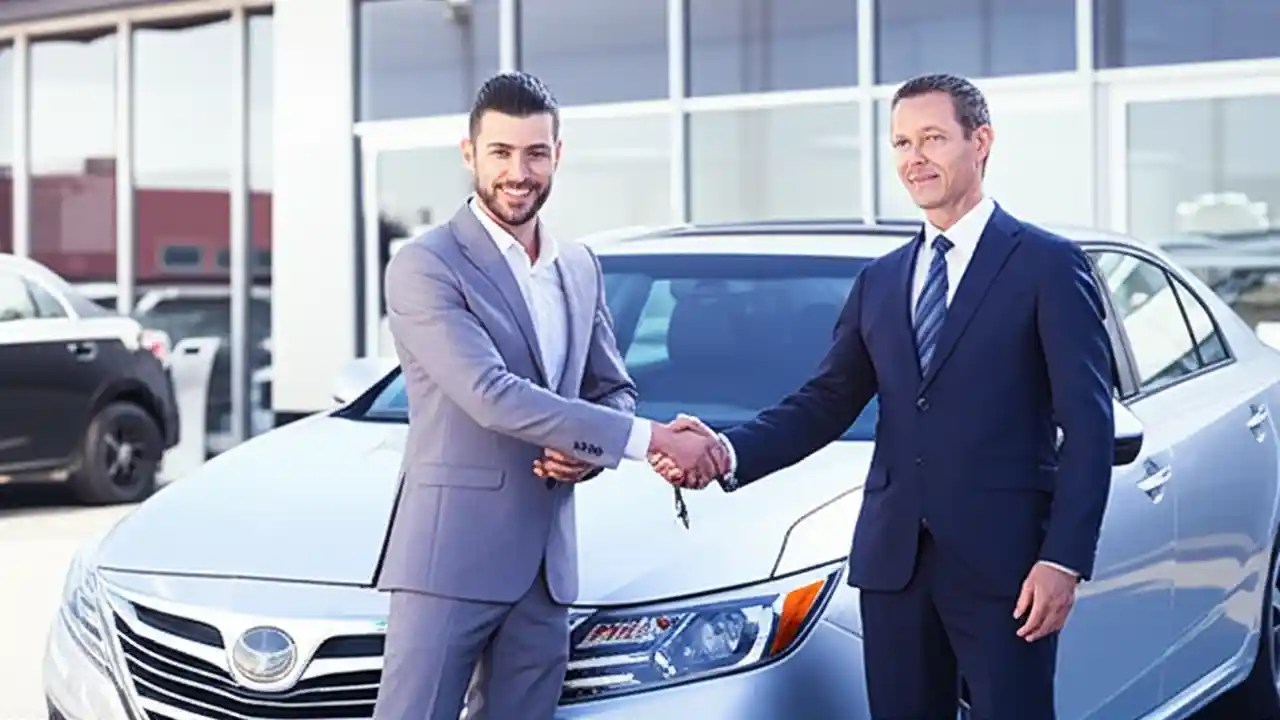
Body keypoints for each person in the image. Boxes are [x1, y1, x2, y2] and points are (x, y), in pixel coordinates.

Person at [650, 73, 1115, 719]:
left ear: (980, 142)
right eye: (900, 142)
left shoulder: (1047, 266)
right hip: (894, 564)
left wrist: (1062, 560)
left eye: (932, 138)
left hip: (1006, 565)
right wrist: (727, 450)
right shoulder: (883, 279)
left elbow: (1091, 427)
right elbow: (826, 401)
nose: (914, 158)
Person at [371, 71, 709, 720]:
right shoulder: (426, 265)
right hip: (450, 559)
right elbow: (490, 393)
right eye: (501, 152)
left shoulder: (579, 265)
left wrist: (591, 449)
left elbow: (613, 388)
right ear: (470, 154)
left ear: (558, 155)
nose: (518, 172)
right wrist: (648, 442)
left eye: (535, 152)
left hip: (547, 569)